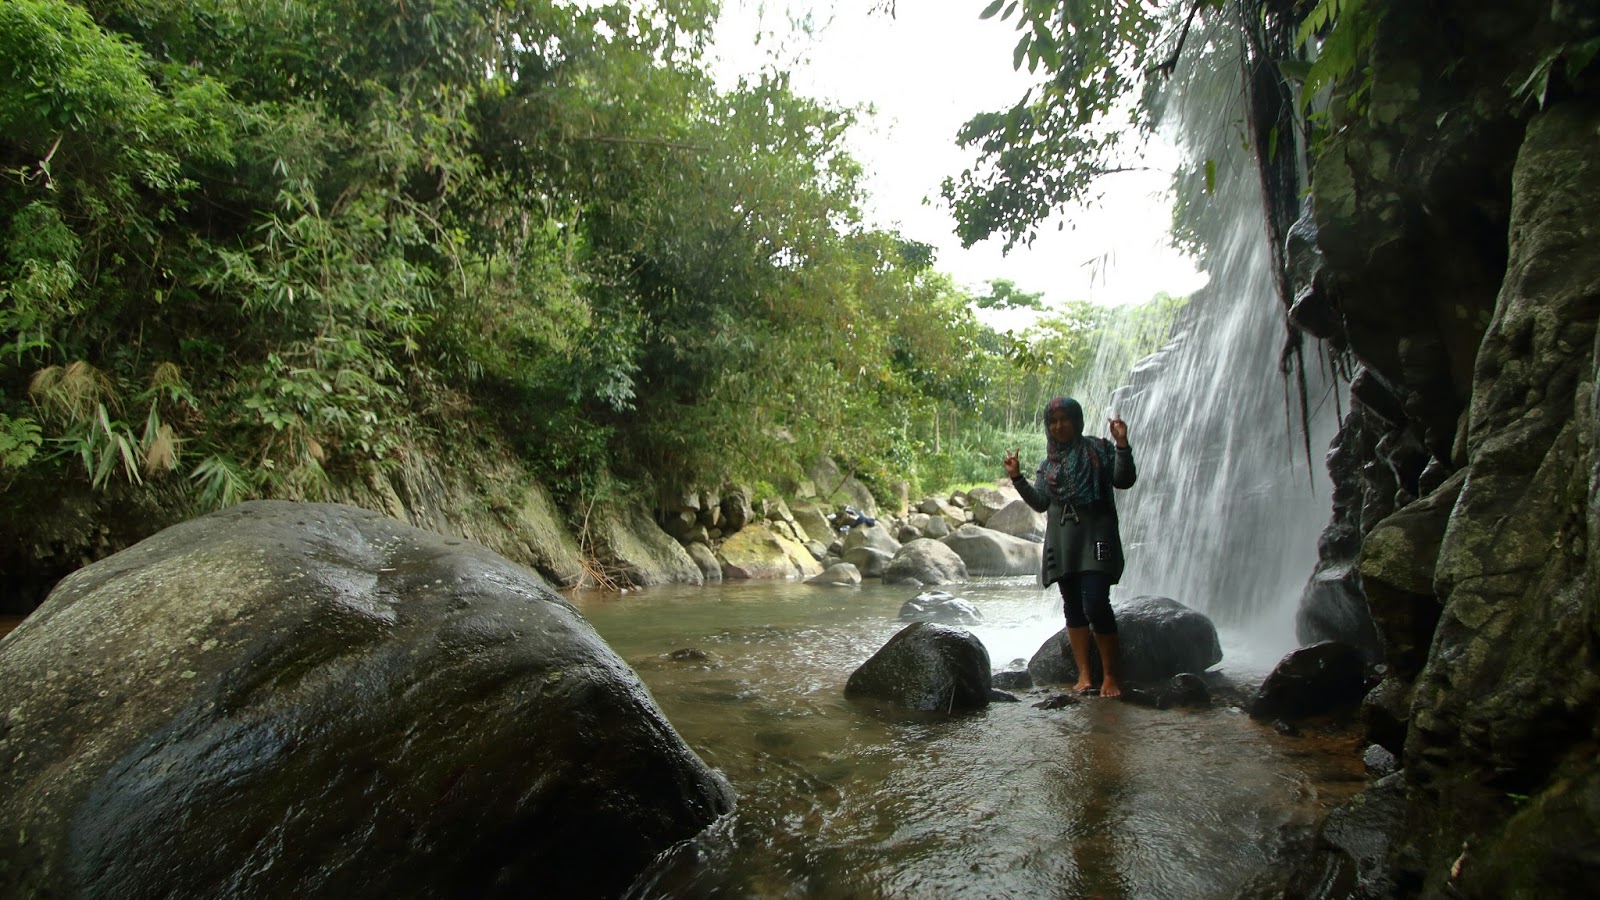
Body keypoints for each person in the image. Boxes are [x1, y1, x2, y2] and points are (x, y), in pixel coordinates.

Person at [1003, 397, 1136, 698]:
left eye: (1065, 419)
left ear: (1076, 421)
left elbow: (1123, 480)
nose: (1059, 426)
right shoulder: (1048, 465)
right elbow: (1039, 502)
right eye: (1053, 421)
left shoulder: (1100, 450)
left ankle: (1111, 676)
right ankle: (1084, 674)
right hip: (1063, 541)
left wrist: (1122, 444)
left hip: (1096, 536)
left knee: (1096, 603)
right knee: (1073, 605)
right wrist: (1016, 477)